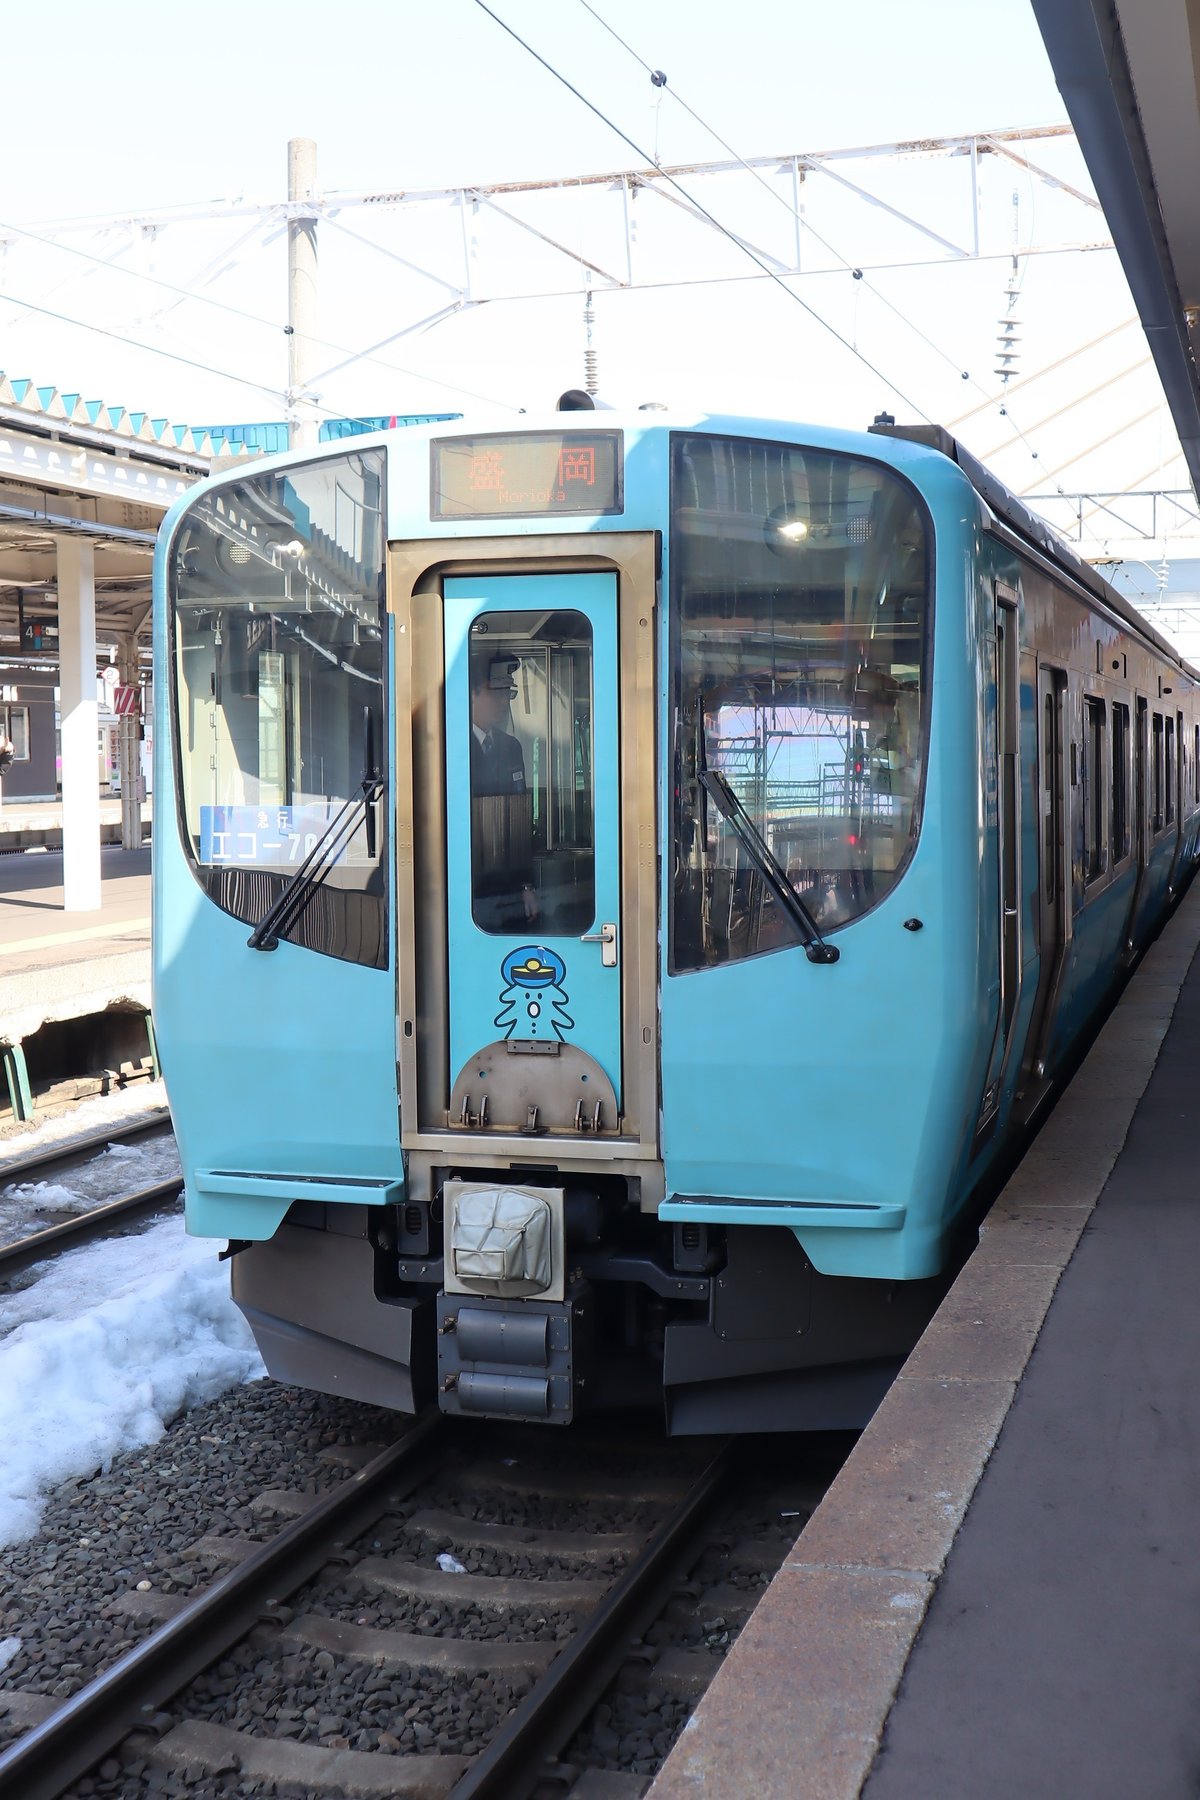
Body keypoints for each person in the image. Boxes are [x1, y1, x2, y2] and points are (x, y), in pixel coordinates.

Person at [469, 656, 539, 927]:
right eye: (497, 692)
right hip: (465, 888)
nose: (504, 702)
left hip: (507, 889)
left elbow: (518, 819)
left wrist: (526, 885)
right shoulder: (449, 746)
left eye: (508, 693)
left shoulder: (510, 747)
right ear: (472, 694)